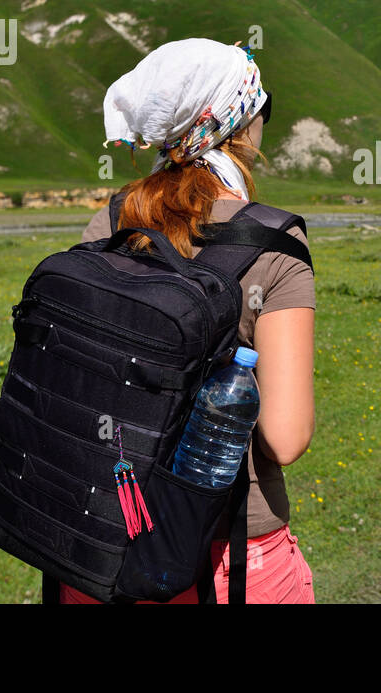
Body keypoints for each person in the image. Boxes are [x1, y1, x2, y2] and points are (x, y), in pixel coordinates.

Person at [59, 37, 316, 604]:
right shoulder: (273, 240)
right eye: (260, 108)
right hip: (230, 559)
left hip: (99, 548)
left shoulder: (108, 222)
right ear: (240, 124)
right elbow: (285, 437)